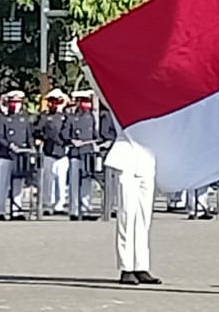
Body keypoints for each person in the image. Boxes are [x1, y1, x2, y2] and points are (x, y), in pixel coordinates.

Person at [103, 127, 160, 285]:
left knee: (144, 219)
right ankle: (126, 268)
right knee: (126, 217)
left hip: (147, 162)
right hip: (128, 163)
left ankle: (141, 266)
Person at [0, 90, 31, 220]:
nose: (15, 105)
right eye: (13, 102)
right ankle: (0, 211)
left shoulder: (24, 119)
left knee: (18, 185)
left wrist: (30, 149)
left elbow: (28, 136)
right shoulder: (2, 119)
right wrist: (10, 146)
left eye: (18, 103)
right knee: (2, 184)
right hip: (6, 155)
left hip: (20, 156)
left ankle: (17, 210)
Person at [62, 91, 99, 220]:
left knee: (87, 182)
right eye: (83, 101)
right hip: (75, 154)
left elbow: (95, 135)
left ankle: (86, 208)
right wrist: (72, 140)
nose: (85, 104)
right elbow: (65, 133)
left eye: (87, 101)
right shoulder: (71, 117)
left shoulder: (92, 117)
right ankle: (74, 210)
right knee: (74, 182)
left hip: (87, 152)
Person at [36, 89, 69, 215]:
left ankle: (59, 205)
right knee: (48, 179)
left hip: (62, 151)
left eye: (57, 102)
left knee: (61, 180)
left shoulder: (66, 116)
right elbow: (38, 130)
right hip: (49, 150)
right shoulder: (44, 116)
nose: (55, 104)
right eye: (52, 102)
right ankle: (47, 204)